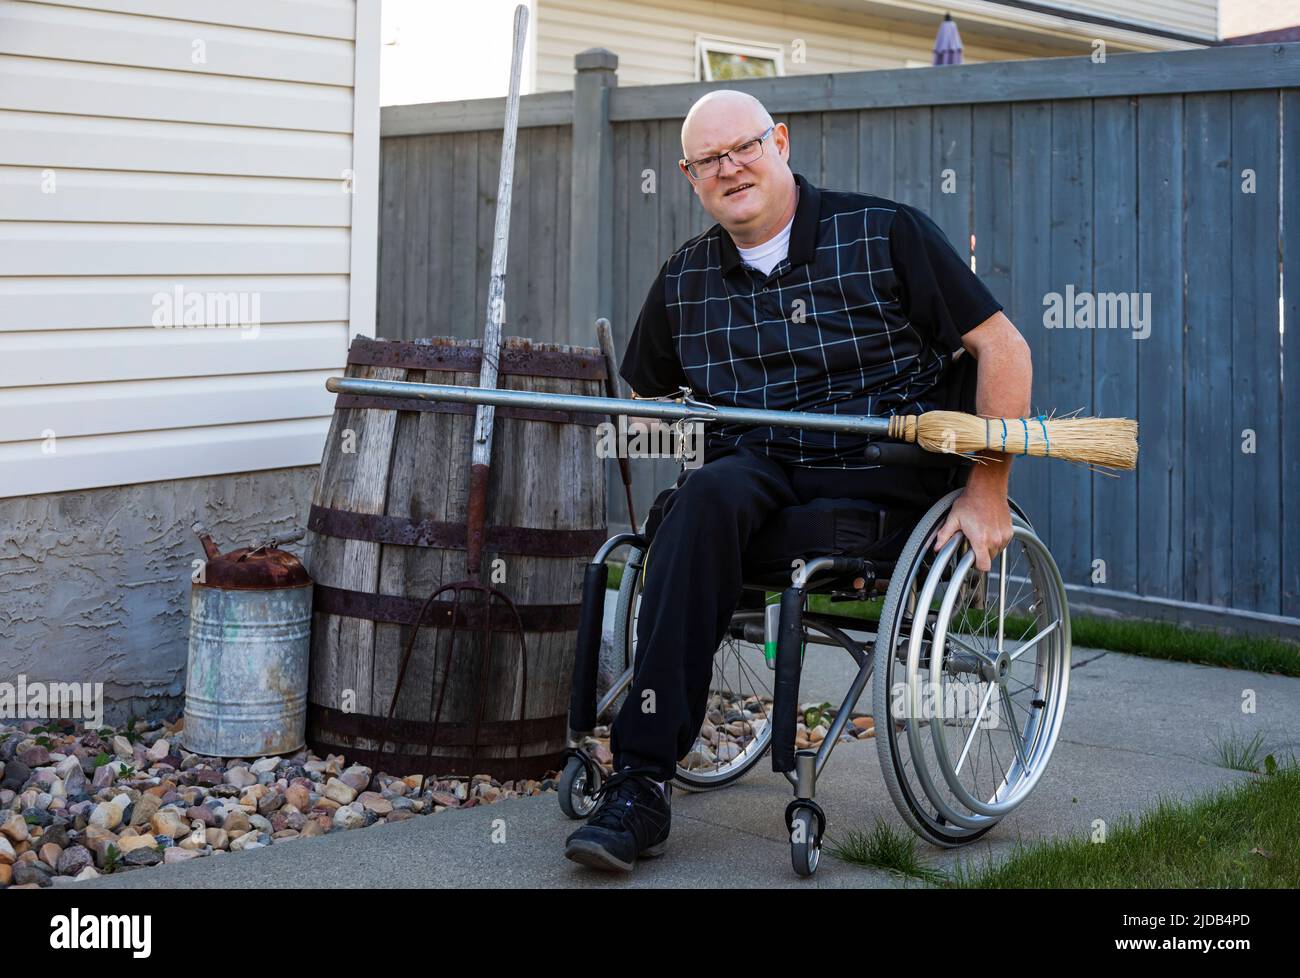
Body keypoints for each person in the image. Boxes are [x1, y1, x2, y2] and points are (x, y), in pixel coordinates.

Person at [563, 90, 1032, 873]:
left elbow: (1004, 349)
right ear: (689, 177)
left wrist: (986, 489)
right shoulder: (684, 279)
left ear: (779, 141)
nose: (730, 168)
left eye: (743, 146)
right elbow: (646, 397)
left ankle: (658, 757)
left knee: (700, 524)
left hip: (877, 481)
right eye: (709, 160)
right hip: (759, 475)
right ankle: (640, 785)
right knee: (698, 503)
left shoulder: (885, 233)